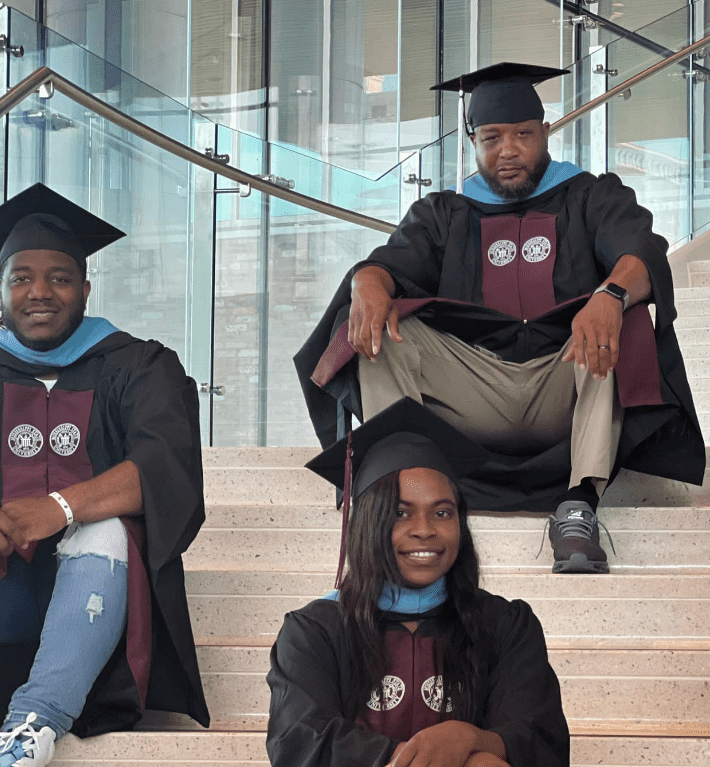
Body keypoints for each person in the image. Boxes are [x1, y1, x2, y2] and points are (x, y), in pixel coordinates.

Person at [294, 62, 705, 574]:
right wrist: (367, 281)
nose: (507, 150)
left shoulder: (590, 196)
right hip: (473, 390)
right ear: (472, 140)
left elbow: (640, 250)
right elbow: (390, 262)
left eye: (522, 135)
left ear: (546, 132)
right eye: (491, 137)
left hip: (565, 380)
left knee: (623, 318)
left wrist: (610, 294)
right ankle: (401, 494)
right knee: (382, 332)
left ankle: (578, 506)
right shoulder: (444, 212)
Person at [0, 183, 208, 767]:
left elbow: (166, 467)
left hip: (93, 598)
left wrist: (62, 507)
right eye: (23, 277)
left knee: (109, 527)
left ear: (86, 288)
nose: (41, 292)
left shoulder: (139, 366)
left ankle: (26, 740)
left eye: (60, 277)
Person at [266, 398, 571, 767]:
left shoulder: (506, 627)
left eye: (443, 512)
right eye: (401, 513)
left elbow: (537, 735)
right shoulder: (315, 631)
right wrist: (448, 762)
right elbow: (305, 746)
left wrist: (466, 739)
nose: (424, 530)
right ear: (366, 522)